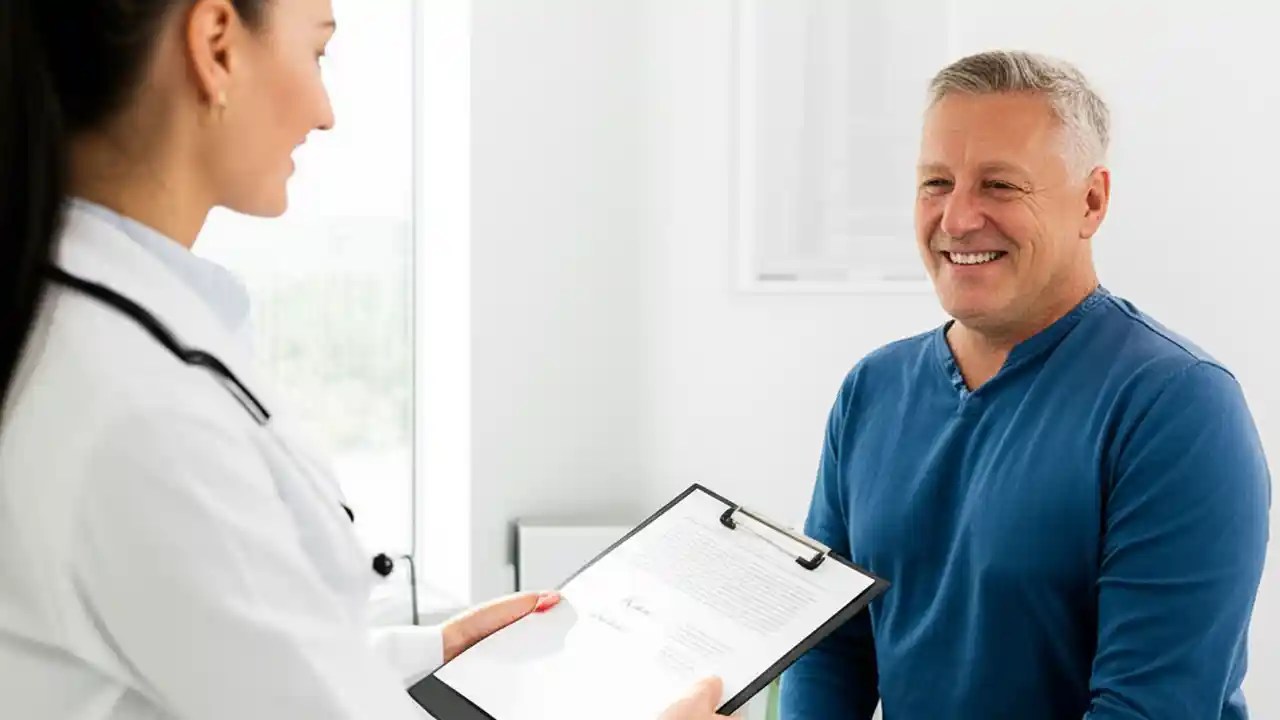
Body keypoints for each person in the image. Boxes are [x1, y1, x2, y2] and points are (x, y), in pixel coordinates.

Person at [0, 1, 726, 718]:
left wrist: (430, 653)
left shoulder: (94, 339)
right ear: (217, 44)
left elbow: (205, 656)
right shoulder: (139, 410)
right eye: (317, 53)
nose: (325, 112)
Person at [779, 50, 1270, 719]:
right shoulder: (873, 388)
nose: (956, 219)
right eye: (936, 183)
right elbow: (830, 649)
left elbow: (1150, 708)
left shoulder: (1176, 405)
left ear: (1091, 201)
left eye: (1000, 186)